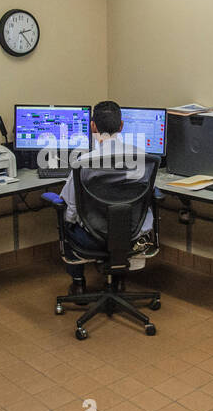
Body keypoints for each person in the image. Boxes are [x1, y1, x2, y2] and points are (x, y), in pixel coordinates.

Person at [59, 100, 154, 295]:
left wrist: (69, 222)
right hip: (132, 235)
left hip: (92, 239)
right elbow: (150, 194)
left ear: (92, 126)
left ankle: (78, 284)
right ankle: (118, 281)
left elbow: (70, 209)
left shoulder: (83, 163)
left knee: (66, 220)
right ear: (121, 125)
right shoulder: (144, 159)